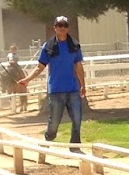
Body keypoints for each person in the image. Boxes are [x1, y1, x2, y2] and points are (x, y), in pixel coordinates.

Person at [25, 17, 89, 145]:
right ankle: (48, 138)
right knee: (54, 122)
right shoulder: (48, 47)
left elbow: (79, 67)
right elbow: (39, 67)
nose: (62, 27)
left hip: (73, 89)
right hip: (56, 90)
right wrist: (27, 79)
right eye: (59, 25)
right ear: (55, 27)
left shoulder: (74, 46)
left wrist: (83, 85)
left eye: (65, 25)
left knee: (77, 118)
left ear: (68, 27)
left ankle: (75, 145)